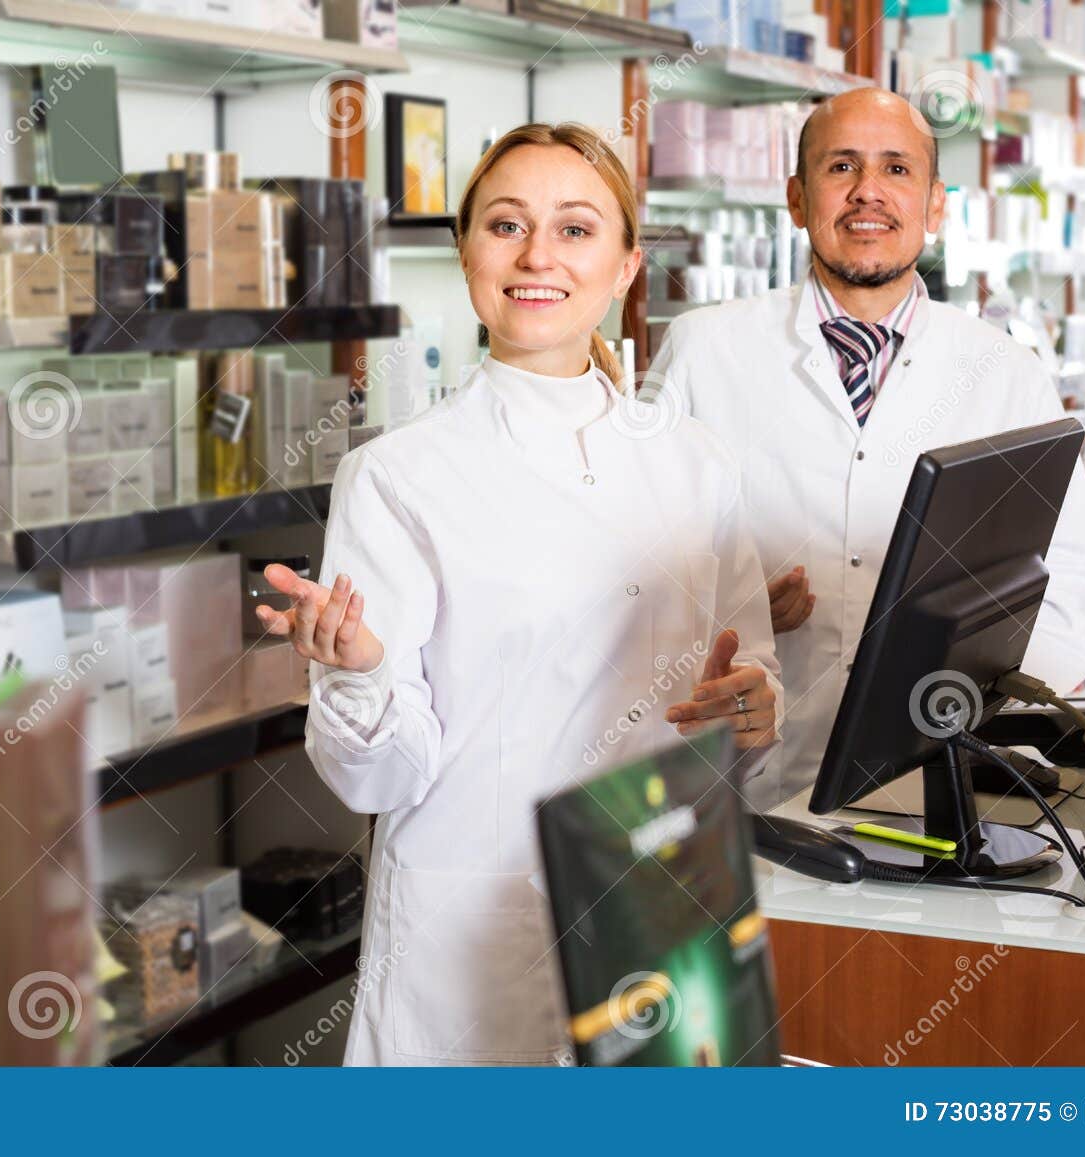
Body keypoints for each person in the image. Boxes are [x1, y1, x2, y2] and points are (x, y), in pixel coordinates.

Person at [254, 123, 782, 1066]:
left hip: (657, 911)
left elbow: (748, 677)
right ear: (466, 254)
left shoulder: (696, 464)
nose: (538, 255)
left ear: (626, 267)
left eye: (577, 229)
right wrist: (359, 676)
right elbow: (379, 778)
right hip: (471, 943)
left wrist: (753, 704)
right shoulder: (398, 477)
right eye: (506, 224)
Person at [648, 89, 1085, 811]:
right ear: (798, 199)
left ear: (934, 205)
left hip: (941, 774)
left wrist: (980, 690)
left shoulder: (1005, 370)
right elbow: (636, 563)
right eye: (842, 167)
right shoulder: (703, 349)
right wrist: (730, 613)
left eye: (897, 169)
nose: (868, 191)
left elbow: (1073, 569)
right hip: (744, 782)